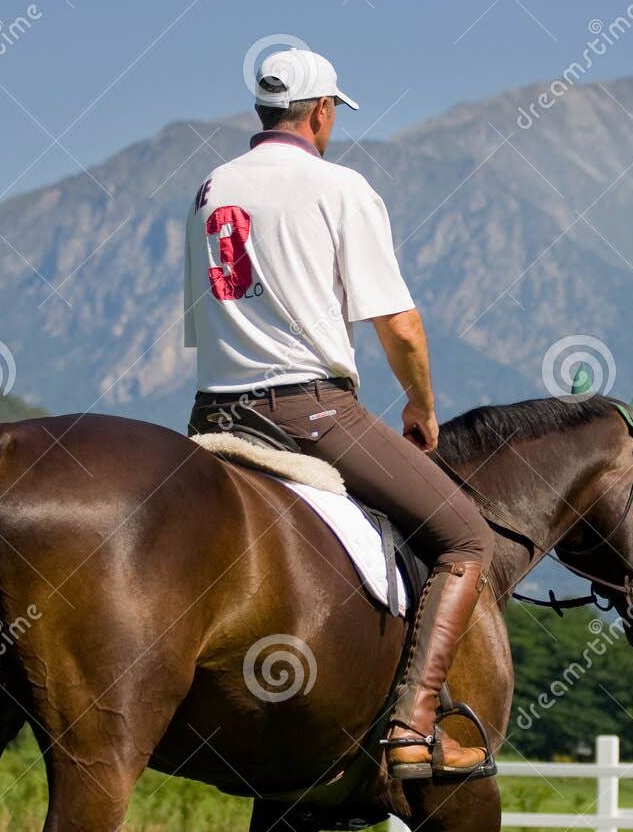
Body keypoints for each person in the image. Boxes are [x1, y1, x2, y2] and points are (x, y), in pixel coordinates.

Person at [184, 45, 494, 783]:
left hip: (213, 416)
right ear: (322, 112)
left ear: (263, 110)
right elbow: (400, 326)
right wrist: (419, 408)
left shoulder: (210, 187)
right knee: (466, 539)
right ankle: (415, 728)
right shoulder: (338, 186)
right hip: (307, 412)